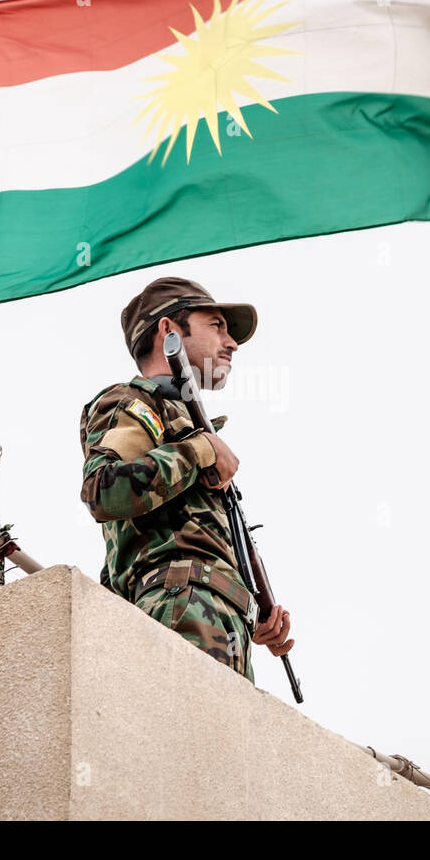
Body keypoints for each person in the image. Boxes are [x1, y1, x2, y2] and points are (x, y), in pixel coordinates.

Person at [78, 276, 293, 684]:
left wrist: (257, 610)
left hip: (217, 620)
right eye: (217, 326)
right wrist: (201, 450)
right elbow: (104, 490)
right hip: (181, 604)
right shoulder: (132, 403)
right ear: (168, 330)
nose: (231, 343)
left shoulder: (184, 419)